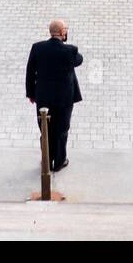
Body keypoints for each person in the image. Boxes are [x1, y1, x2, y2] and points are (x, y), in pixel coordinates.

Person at [25, 19, 83, 172]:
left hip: (43, 97)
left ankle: (46, 158)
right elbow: (79, 60)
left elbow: (30, 71)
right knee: (62, 130)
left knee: (45, 129)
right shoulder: (70, 51)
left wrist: (30, 93)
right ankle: (59, 161)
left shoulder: (37, 48)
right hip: (64, 98)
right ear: (63, 32)